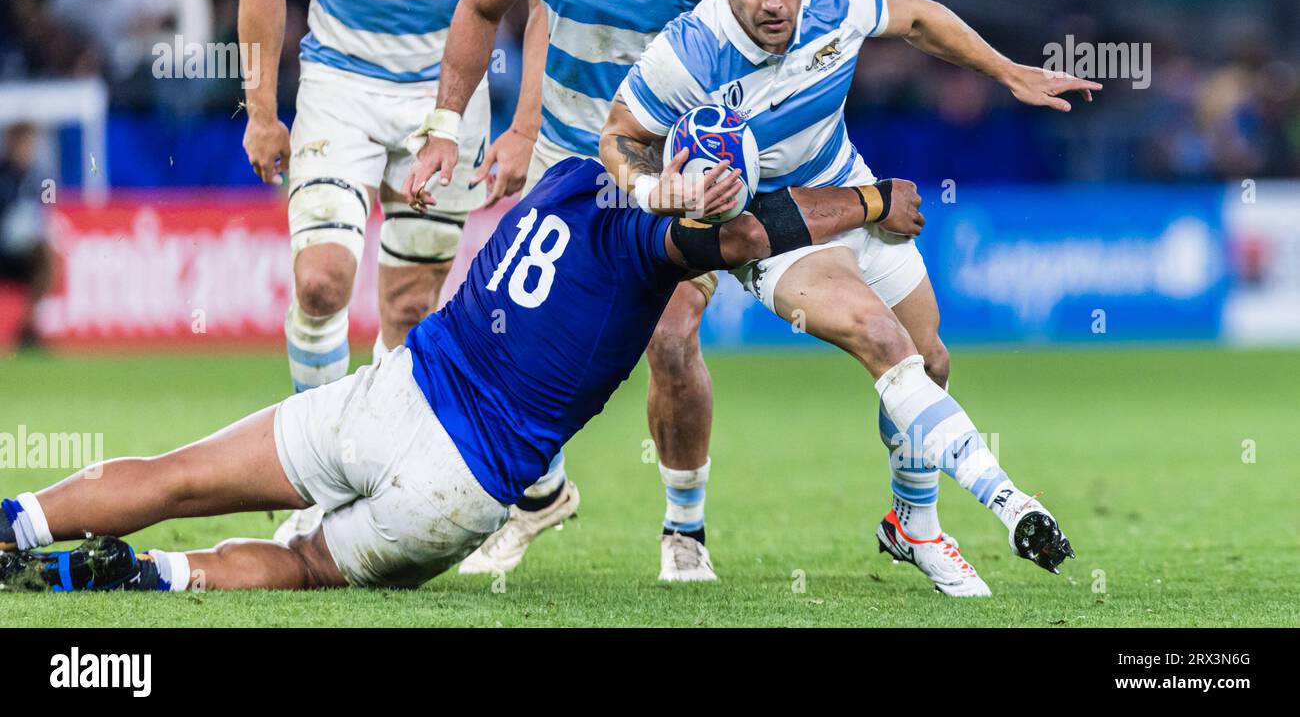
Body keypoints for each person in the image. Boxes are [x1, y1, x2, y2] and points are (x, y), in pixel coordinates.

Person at [0, 156, 925, 592]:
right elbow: (747, 233)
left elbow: (652, 190)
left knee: (177, 474)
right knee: (301, 563)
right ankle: (142, 581)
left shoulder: (567, 176)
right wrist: (874, 200)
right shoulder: (664, 251)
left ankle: (19, 521)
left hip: (392, 394)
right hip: (462, 484)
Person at [602, 0, 1091, 595]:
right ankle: (1010, 503)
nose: (771, 1)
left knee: (931, 360)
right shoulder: (691, 51)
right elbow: (617, 135)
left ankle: (913, 528)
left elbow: (921, 19)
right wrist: (657, 191)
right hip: (773, 231)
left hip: (846, 187)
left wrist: (1008, 72)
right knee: (880, 337)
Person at [405, 0, 729, 580]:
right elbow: (485, 5)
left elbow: (767, 45)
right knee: (512, 337)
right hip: (568, 166)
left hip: (673, 170)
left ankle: (683, 528)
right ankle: (541, 493)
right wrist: (456, 126)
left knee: (670, 339)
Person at [237, 0, 545, 541]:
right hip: (340, 93)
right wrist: (260, 109)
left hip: (448, 105)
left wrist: (524, 127)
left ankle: (369, 478)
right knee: (321, 281)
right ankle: (308, 490)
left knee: (410, 310)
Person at [0, 123, 54, 350]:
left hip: (23, 251)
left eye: (30, 144)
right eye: (21, 144)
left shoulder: (42, 178)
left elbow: (47, 210)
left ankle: (28, 327)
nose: (25, 150)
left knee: (48, 258)